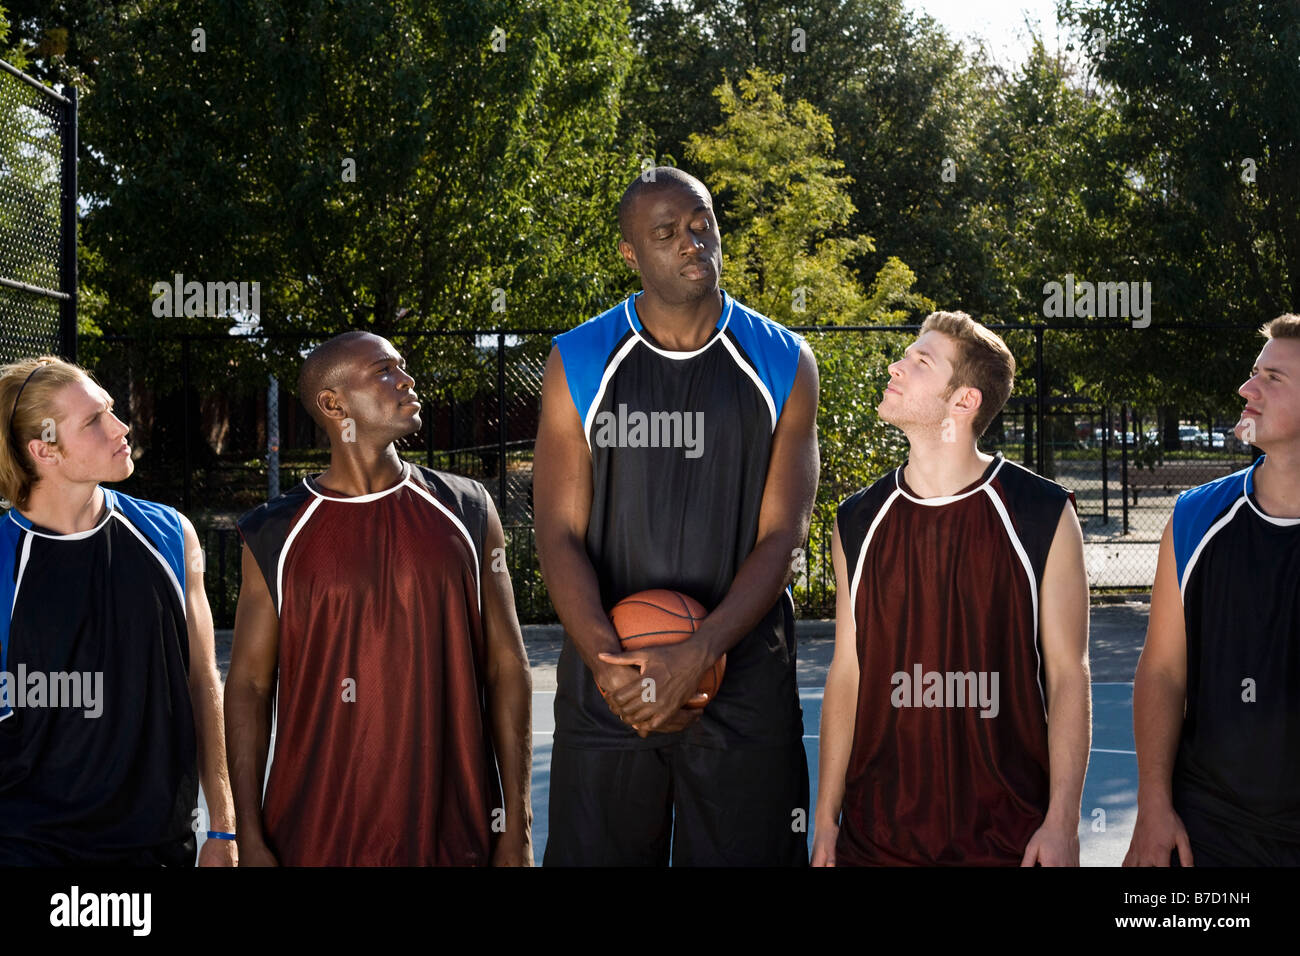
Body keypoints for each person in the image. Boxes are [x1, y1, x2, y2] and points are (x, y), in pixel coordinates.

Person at [534, 166, 820, 866]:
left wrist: (702, 648)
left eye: (702, 224)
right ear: (632, 253)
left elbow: (785, 534)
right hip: (612, 678)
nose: (693, 243)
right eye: (666, 234)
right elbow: (558, 531)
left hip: (743, 674)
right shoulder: (579, 358)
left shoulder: (783, 359)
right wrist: (608, 665)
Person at [225, 331, 533, 866]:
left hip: (454, 837)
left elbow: (508, 667)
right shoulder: (272, 532)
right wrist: (248, 834)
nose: (407, 380)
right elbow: (250, 685)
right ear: (333, 403)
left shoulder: (468, 509)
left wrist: (518, 825)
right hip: (312, 839)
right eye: (384, 370)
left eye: (403, 366)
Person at [813, 312, 1091, 866]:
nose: (897, 365)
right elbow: (848, 673)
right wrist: (825, 818)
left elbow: (1067, 674)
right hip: (878, 837)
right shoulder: (857, 520)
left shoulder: (1041, 512)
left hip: (1007, 836)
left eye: (921, 361)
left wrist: (1062, 821)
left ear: (963, 402)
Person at [0, 356, 235, 866]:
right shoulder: (3, 561)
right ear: (45, 450)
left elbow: (201, 681)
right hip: (30, 847)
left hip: (159, 844)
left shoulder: (170, 534)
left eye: (110, 409)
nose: (121, 426)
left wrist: (223, 828)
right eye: (93, 420)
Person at [1125, 313, 1300, 867]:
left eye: (1274, 379)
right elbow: (1162, 671)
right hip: (1208, 828)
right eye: (1255, 372)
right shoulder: (1196, 516)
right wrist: (1154, 807)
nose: (1247, 389)